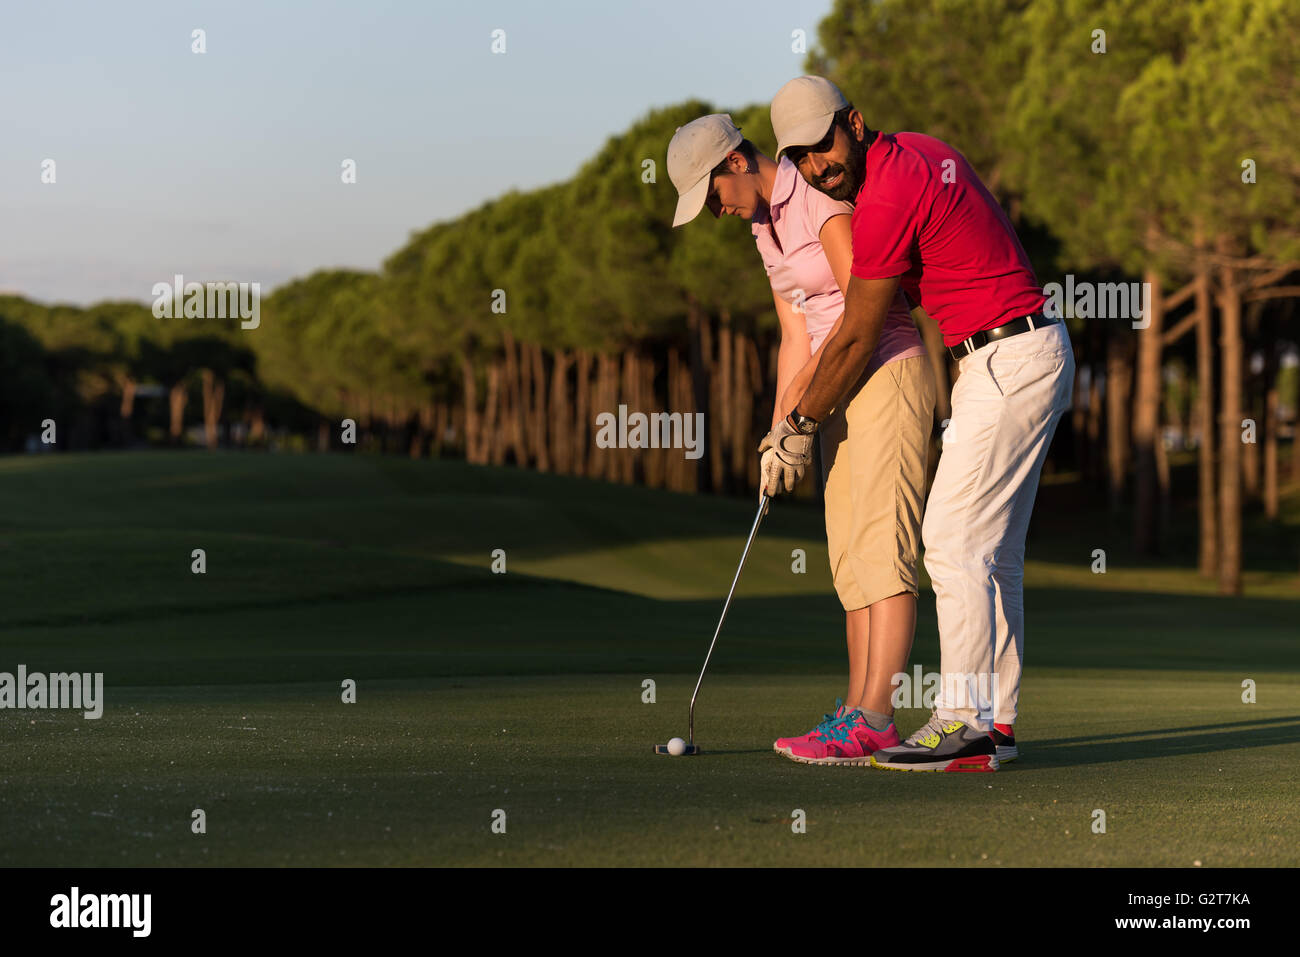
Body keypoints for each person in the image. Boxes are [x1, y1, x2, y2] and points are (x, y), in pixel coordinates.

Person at [764, 76, 1075, 772]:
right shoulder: (916, 155)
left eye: (825, 145)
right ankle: (995, 726)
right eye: (804, 158)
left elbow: (856, 332)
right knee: (993, 554)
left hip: (1007, 357)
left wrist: (798, 424)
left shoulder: (887, 194)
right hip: (1016, 352)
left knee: (949, 538)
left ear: (855, 121)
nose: (819, 165)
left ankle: (962, 722)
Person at [667, 113, 936, 765]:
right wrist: (777, 430)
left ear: (734, 162)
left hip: (885, 373)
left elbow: (855, 308)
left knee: (884, 550)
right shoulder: (765, 226)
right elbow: (797, 336)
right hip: (831, 392)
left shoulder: (814, 195)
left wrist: (800, 418)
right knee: (848, 558)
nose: (713, 213)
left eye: (709, 197)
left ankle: (878, 715)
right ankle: (854, 712)